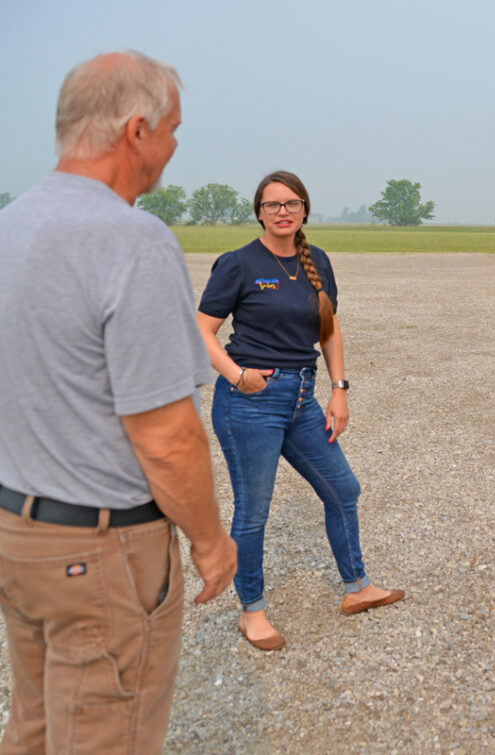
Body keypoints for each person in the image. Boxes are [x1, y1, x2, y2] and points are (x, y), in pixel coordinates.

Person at [0, 51, 236, 753]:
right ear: (137, 131)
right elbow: (166, 436)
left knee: (35, 726)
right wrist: (210, 540)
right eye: (172, 131)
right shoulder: (132, 240)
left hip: (17, 531)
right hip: (99, 551)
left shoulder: (10, 227)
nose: (172, 149)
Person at [196, 170, 404, 651]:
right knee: (254, 511)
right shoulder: (239, 264)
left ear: (304, 209)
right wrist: (236, 375)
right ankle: (253, 612)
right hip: (250, 401)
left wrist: (339, 390)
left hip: (302, 398)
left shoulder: (318, 262)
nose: (282, 211)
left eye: (291, 203)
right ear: (260, 213)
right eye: (272, 205)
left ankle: (357, 588)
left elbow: (328, 331)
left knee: (343, 489)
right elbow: (202, 329)